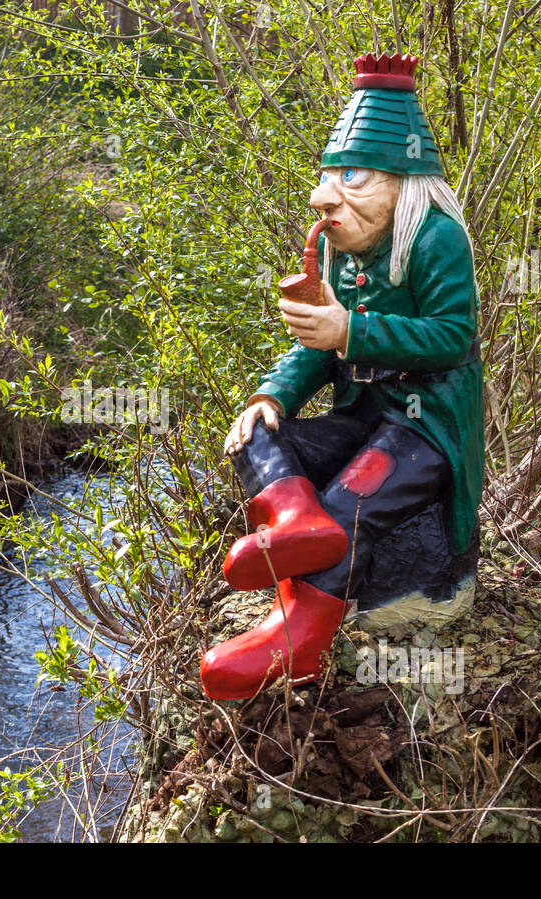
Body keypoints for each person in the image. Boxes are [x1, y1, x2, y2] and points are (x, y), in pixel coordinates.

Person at [200, 53, 484, 701]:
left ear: (401, 182)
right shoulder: (340, 245)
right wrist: (274, 392)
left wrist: (348, 332)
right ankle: (296, 527)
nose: (324, 194)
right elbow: (315, 344)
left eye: (352, 176)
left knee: (349, 504)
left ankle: (298, 639)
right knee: (255, 437)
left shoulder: (437, 240)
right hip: (364, 416)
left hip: (425, 425)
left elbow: (452, 337)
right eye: (329, 174)